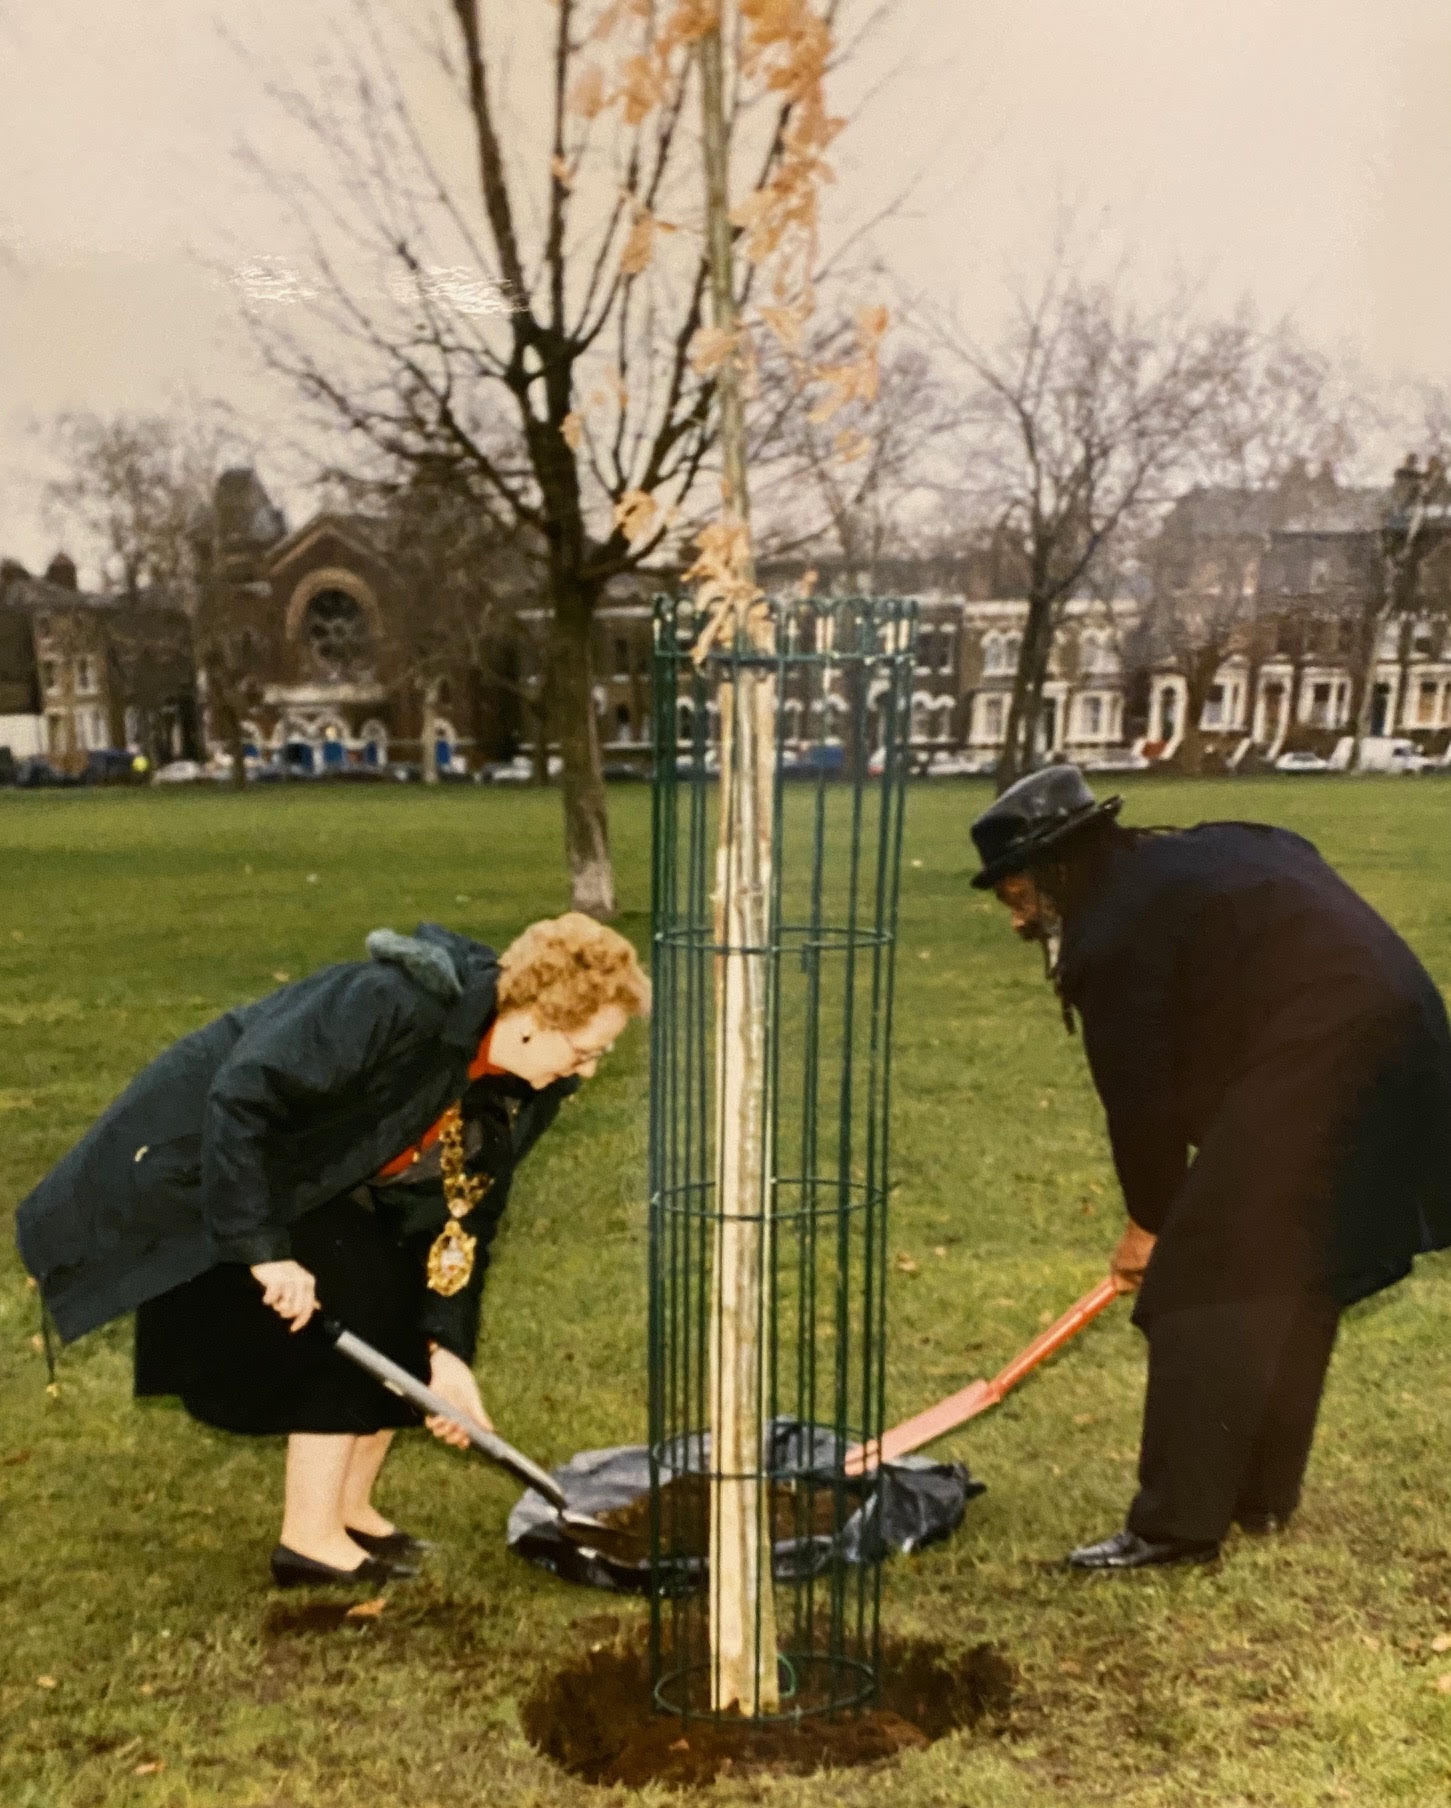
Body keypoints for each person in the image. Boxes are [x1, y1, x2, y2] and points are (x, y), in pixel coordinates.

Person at [16, 914, 650, 1588]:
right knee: (353, 1293)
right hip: (208, 1162)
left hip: (317, 1179)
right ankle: (310, 1539)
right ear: (534, 1018)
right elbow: (242, 1097)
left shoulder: (529, 1085)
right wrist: (266, 1252)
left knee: (400, 1298)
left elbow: (467, 1216)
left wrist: (446, 1350)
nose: (585, 1069)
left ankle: (350, 1510)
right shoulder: (396, 1004)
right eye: (583, 1050)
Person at [968, 767, 1451, 1570]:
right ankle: (1255, 1499)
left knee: (1198, 1284)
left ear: (1052, 869)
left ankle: (1173, 1530)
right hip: (1410, 1036)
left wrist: (1150, 1225)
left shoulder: (1109, 928)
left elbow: (1141, 1100)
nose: (1013, 917)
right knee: (1295, 1267)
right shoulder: (1204, 849)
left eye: (1013, 893)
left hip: (1325, 1051)